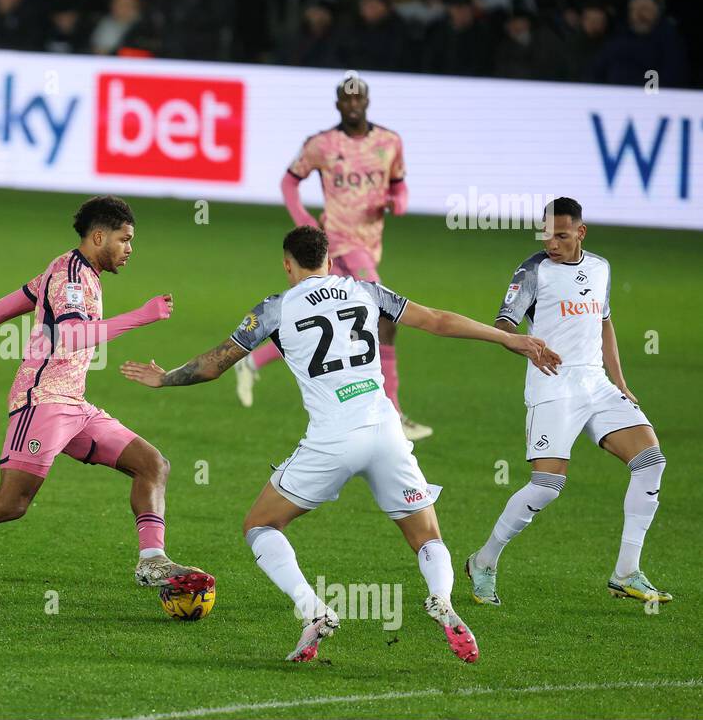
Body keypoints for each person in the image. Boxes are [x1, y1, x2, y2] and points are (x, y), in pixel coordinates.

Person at [122, 225, 560, 664]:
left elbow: (215, 364)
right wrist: (510, 338)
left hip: (332, 438)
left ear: (288, 266)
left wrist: (164, 377)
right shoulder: (367, 292)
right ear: (329, 262)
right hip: (386, 430)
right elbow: (438, 320)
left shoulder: (274, 308)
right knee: (427, 536)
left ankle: (313, 610)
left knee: (260, 525)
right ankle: (442, 600)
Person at [0, 196, 215, 605]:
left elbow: (11, 303)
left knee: (152, 464)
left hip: (74, 405)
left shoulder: (75, 271)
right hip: (42, 402)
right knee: (10, 502)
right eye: (125, 239)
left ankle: (152, 560)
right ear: (99, 236)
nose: (129, 248)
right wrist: (141, 315)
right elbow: (71, 335)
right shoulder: (71, 276)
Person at [465, 198, 672, 606]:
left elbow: (604, 321)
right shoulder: (532, 270)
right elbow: (504, 322)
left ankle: (626, 572)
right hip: (552, 385)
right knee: (547, 487)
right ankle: (483, 561)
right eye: (546, 234)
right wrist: (523, 345)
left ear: (581, 232)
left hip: (595, 384)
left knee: (651, 461)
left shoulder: (600, 267)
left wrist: (621, 382)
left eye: (561, 234)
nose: (552, 242)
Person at [237, 76, 433, 442]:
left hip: (370, 243)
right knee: (386, 316)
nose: (353, 104)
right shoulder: (322, 144)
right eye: (346, 99)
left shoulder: (389, 142)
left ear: (368, 101)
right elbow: (289, 182)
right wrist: (307, 223)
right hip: (340, 243)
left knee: (333, 317)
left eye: (358, 98)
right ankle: (394, 414)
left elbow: (399, 186)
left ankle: (254, 359)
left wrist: (398, 204)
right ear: (338, 104)